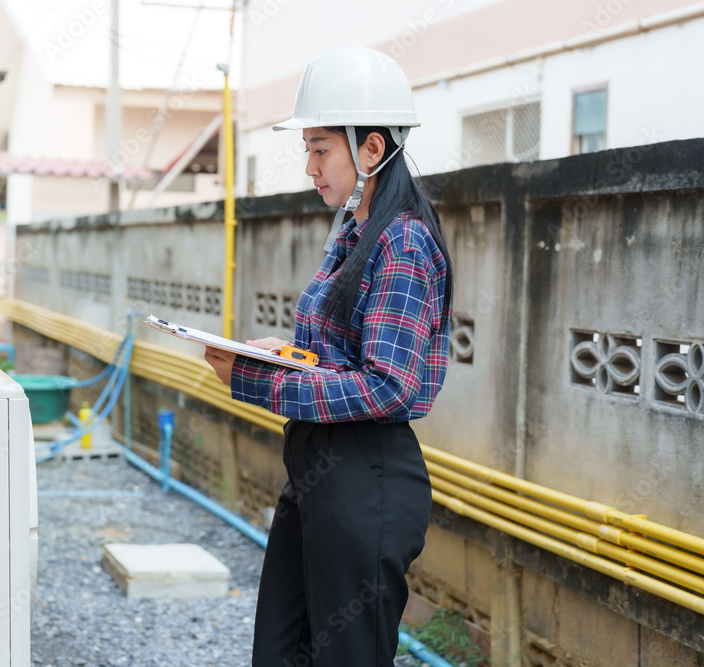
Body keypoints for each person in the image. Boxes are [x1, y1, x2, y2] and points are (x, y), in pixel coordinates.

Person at [204, 47, 454, 666]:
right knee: (281, 650)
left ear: (372, 149)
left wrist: (258, 384)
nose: (309, 164)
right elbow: (335, 355)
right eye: (308, 148)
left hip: (365, 478)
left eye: (321, 148)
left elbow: (388, 386)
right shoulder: (352, 230)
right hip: (317, 467)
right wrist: (281, 353)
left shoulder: (402, 241)